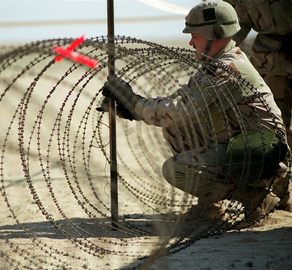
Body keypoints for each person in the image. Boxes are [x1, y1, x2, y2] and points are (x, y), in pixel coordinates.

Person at [98, 0, 290, 228]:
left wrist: (135, 104)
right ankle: (210, 206)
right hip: (241, 142)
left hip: (260, 156)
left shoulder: (227, 70)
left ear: (215, 35)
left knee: (175, 170)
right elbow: (178, 103)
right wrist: (131, 107)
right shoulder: (215, 65)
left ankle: (256, 199)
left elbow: (180, 110)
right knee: (176, 128)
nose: (190, 42)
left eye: (195, 36)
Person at [223, 0, 292, 213]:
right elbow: (236, 26)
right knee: (273, 130)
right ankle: (282, 192)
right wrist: (217, 55)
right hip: (270, 62)